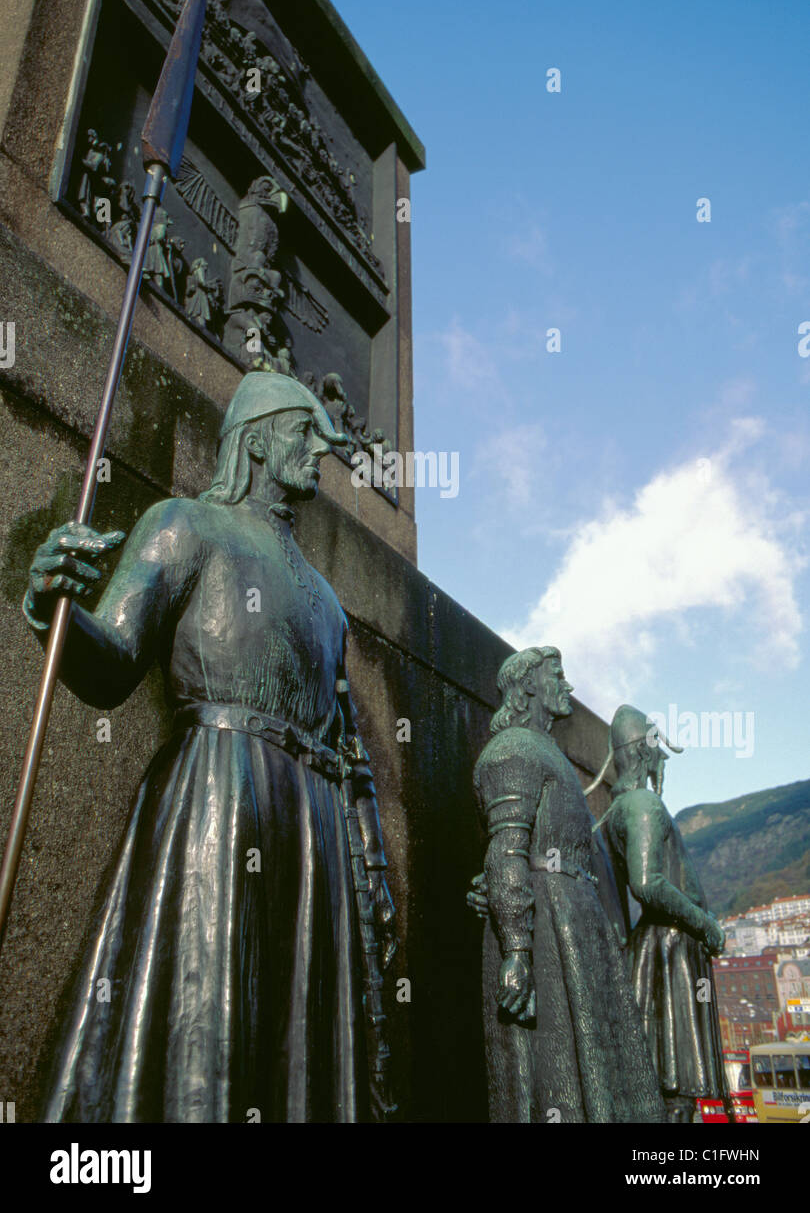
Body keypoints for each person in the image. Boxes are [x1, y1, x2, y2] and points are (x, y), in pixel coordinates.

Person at [25, 372, 395, 1123]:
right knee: (213, 1002)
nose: (318, 453)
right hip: (223, 790)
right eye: (304, 434)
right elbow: (112, 662)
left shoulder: (326, 600)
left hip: (314, 821)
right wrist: (52, 607)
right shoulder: (185, 525)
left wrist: (371, 871)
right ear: (256, 441)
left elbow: (349, 749)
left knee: (297, 1036)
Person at [469, 647, 665, 1123]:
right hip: (549, 932)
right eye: (557, 674)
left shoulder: (545, 751)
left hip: (573, 924)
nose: (569, 686)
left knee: (599, 1077)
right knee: (556, 1074)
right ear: (529, 684)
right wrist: (516, 947)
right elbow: (507, 849)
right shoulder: (511, 750)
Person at [596, 704, 728, 1123]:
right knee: (677, 1084)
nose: (660, 761)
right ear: (642, 753)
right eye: (656, 751)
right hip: (670, 951)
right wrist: (704, 923)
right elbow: (647, 882)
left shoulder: (613, 812)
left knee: (658, 1077)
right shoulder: (644, 805)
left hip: (651, 949)